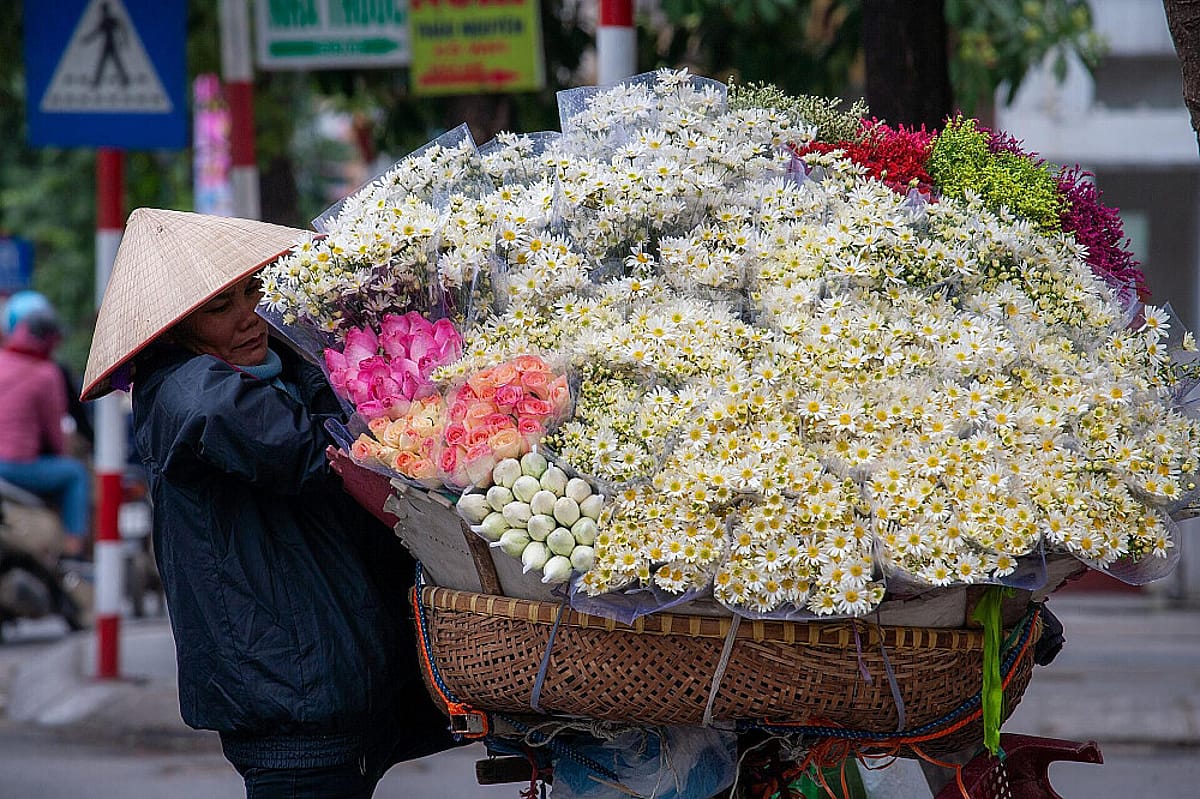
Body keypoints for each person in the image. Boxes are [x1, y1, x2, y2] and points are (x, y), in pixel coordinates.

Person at [80, 208, 461, 798]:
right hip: (292, 697)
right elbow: (306, 448)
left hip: (333, 690)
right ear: (178, 327)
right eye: (219, 307)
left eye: (253, 291)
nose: (248, 317)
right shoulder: (188, 392)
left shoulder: (266, 374)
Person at [0, 296, 91, 559]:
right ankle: (73, 548)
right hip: (18, 467)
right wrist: (61, 452)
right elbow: (55, 433)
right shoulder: (47, 373)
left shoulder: (2, 361)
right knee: (74, 474)